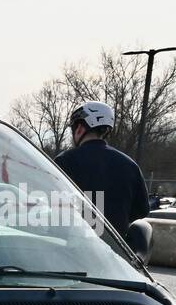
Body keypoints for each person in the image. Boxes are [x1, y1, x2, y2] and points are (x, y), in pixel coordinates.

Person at [54, 101, 149, 236]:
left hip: (71, 247)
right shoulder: (129, 165)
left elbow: (54, 207)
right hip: (113, 253)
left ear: (80, 128)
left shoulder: (64, 161)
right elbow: (142, 210)